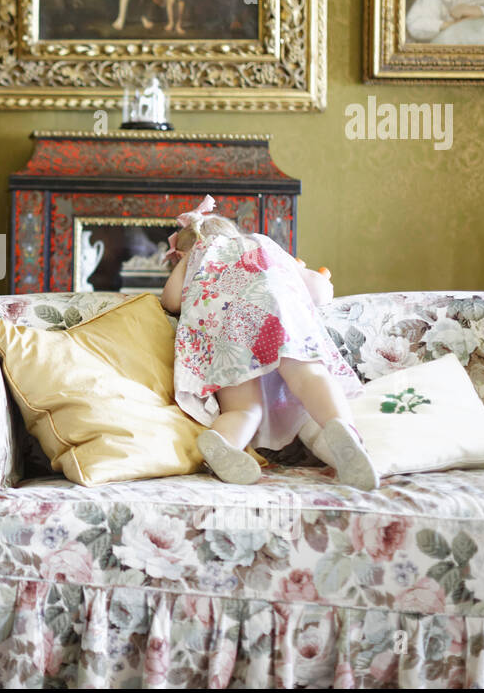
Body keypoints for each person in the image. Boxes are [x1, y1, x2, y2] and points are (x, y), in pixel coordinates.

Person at [159, 196, 379, 490]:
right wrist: (325, 287)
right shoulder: (261, 242)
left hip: (227, 330)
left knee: (244, 409)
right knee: (308, 375)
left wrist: (185, 265)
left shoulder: (198, 254)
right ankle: (341, 428)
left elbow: (170, 301)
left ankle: (224, 442)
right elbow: (315, 287)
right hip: (276, 315)